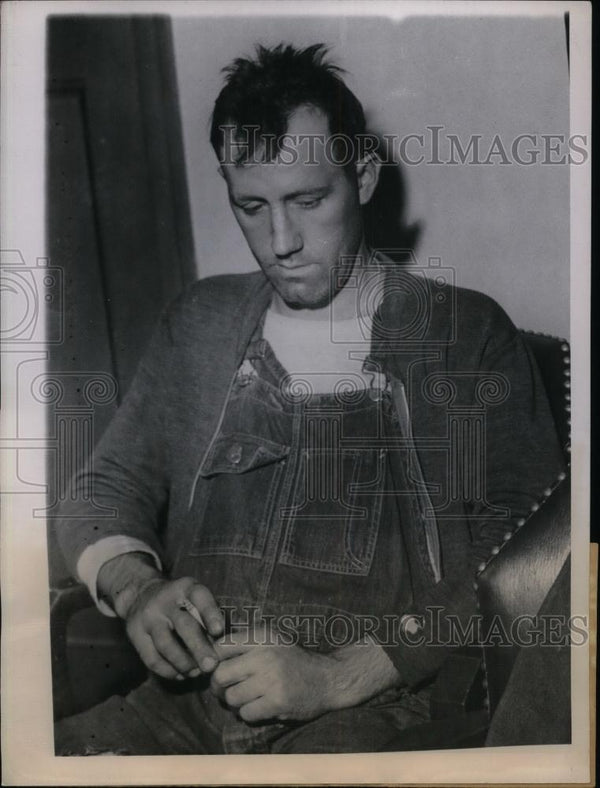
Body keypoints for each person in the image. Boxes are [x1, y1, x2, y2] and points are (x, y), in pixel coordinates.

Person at [54, 43, 565, 755]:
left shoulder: (465, 334)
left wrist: (338, 676)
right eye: (252, 207)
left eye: (307, 200)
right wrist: (135, 586)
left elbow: (532, 567)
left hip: (375, 713)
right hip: (184, 712)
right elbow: (101, 489)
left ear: (361, 175)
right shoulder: (200, 324)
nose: (281, 242)